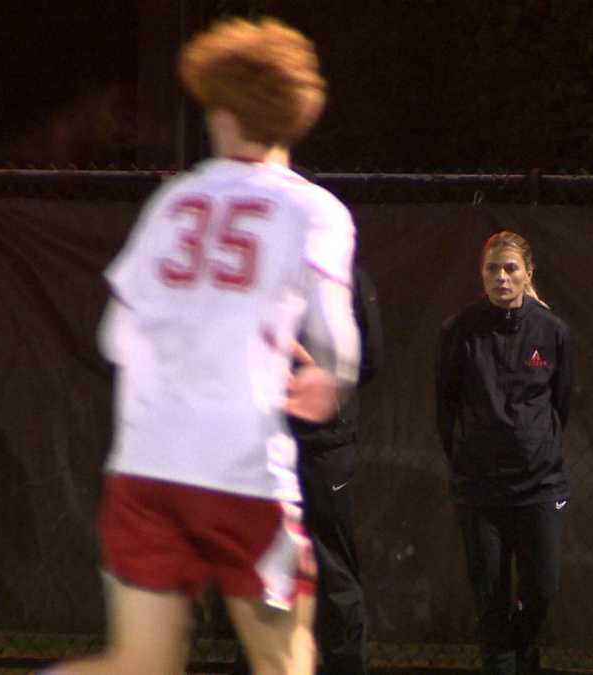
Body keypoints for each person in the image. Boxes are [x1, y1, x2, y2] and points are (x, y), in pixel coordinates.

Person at [44, 17, 359, 675]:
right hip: (241, 470)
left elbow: (115, 335)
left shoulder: (176, 198)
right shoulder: (314, 210)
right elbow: (336, 338)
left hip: (146, 466)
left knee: (135, 664)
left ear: (222, 112)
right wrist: (327, 375)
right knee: (284, 664)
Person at [233, 263, 383, 675]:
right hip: (266, 441)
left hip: (324, 447)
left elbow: (370, 358)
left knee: (331, 563)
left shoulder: (345, 274)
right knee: (264, 561)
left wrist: (322, 385)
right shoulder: (261, 263)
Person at [435, 231, 572, 675]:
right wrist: (468, 461)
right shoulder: (458, 331)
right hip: (481, 492)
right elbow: (445, 408)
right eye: (492, 269)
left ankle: (524, 654)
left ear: (528, 273)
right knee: (490, 606)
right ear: (482, 275)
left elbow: (561, 404)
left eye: (511, 268)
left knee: (543, 590)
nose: (502, 277)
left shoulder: (552, 331)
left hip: (539, 488)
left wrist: (535, 449)